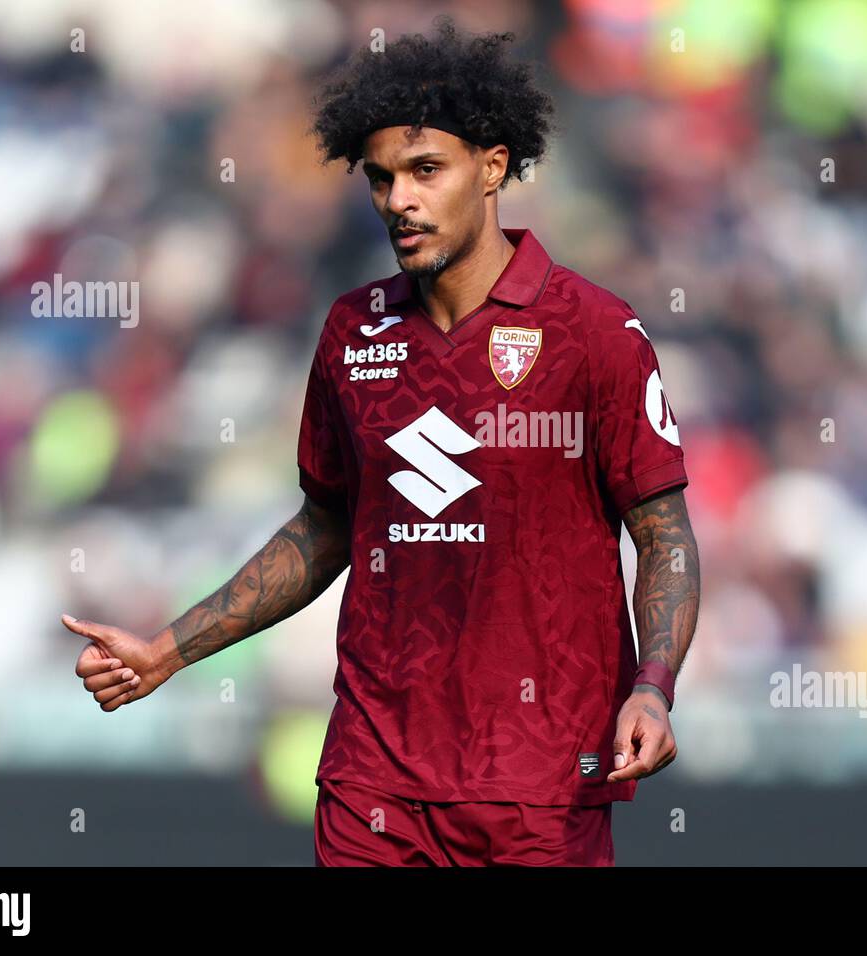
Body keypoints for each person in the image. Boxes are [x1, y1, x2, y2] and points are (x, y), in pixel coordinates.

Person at [64, 17, 700, 867]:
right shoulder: (350, 333)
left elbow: (665, 539)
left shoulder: (597, 332)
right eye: (381, 177)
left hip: (544, 780)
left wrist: (653, 690)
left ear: (495, 168)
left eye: (425, 170)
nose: (398, 199)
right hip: (375, 781)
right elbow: (324, 528)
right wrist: (168, 652)